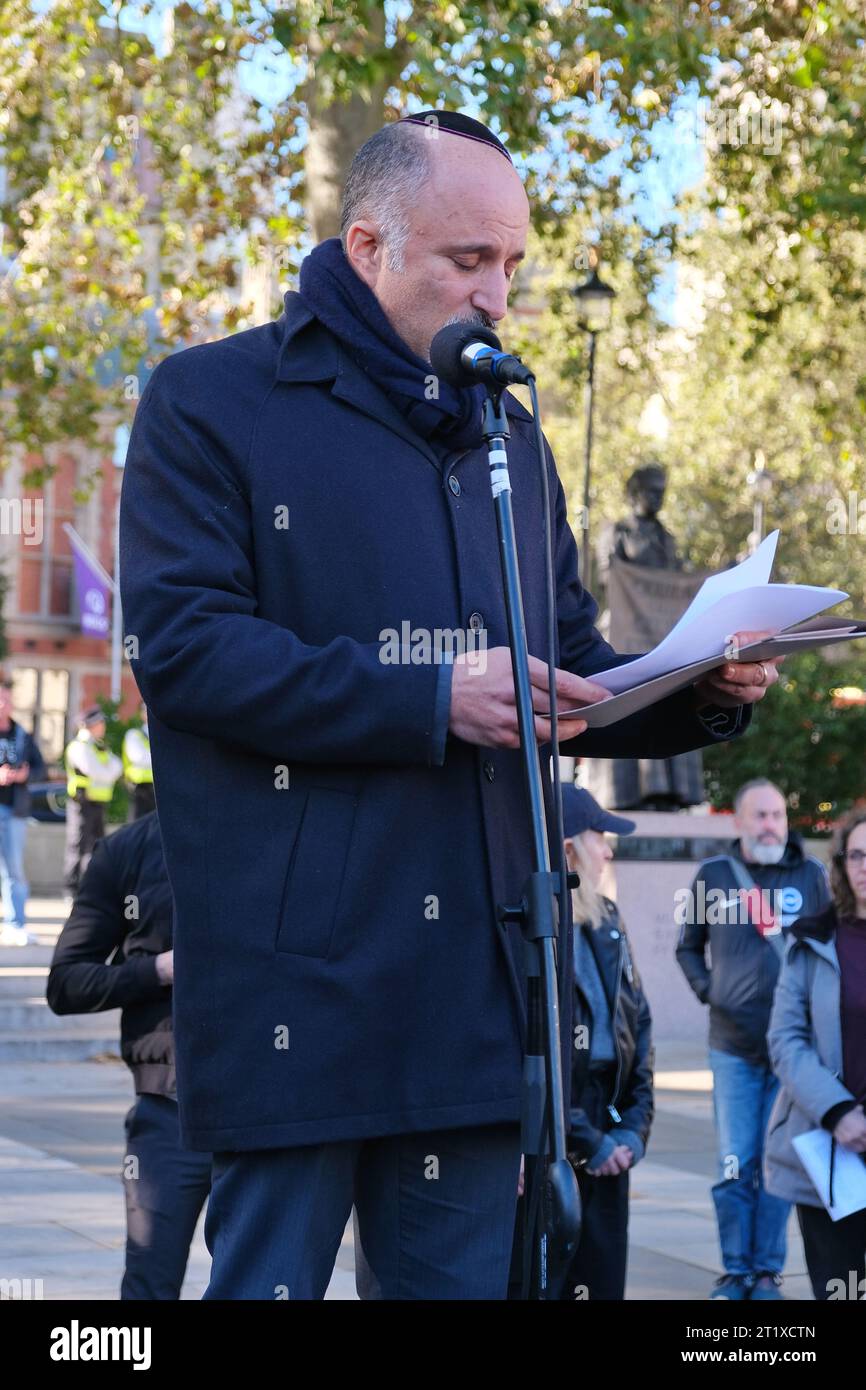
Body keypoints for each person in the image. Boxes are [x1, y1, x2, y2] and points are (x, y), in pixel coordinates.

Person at [120, 109, 782, 1301]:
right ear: (367, 245)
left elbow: (565, 669)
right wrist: (427, 696)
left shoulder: (509, 439)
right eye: (466, 261)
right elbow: (183, 650)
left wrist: (700, 689)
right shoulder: (208, 401)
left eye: (513, 265)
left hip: (479, 998)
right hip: (297, 996)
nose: (500, 296)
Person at [675, 777, 831, 1300]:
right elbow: (687, 947)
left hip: (792, 1053)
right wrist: (709, 991)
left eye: (778, 816)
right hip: (732, 1048)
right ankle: (736, 1270)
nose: (771, 825)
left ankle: (766, 1272)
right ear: (738, 822)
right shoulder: (713, 876)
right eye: (760, 816)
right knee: (735, 1161)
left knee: (777, 1166)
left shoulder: (812, 876)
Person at [46, 811, 212, 1298]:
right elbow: (65, 983)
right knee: (148, 1284)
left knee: (262, 1282)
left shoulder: (284, 824)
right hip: (167, 1108)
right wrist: (157, 970)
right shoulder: (129, 850)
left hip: (270, 1112)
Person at [764, 806, 866, 1301]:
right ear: (843, 864)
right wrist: (838, 1111)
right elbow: (786, 1040)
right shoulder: (812, 940)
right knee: (842, 1289)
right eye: (857, 854)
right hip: (834, 1147)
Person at [561, 786, 651, 1300]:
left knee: (602, 1281)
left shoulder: (608, 920)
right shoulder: (535, 925)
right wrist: (586, 1142)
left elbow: (641, 1029)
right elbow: (535, 1050)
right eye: (602, 838)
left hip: (610, 1129)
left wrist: (634, 1131)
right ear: (570, 847)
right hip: (562, 1138)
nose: (609, 851)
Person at [0, 669, 46, 947]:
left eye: (6, 700)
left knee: (14, 869)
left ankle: (16, 923)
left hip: (14, 810)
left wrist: (23, 776)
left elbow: (41, 769)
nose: (4, 705)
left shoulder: (22, 735)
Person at [62, 707, 123, 899]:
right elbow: (97, 771)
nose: (103, 726)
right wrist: (106, 773)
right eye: (100, 722)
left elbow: (117, 767)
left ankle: (90, 888)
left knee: (96, 847)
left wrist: (105, 772)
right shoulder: (79, 747)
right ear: (89, 725)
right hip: (81, 803)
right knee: (77, 846)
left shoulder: (99, 747)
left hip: (98, 804)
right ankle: (70, 890)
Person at [122, 703, 155, 821]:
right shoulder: (134, 735)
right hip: (140, 789)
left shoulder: (162, 737)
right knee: (138, 828)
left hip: (158, 788)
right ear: (142, 715)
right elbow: (139, 757)